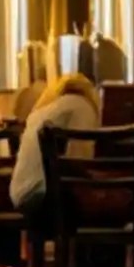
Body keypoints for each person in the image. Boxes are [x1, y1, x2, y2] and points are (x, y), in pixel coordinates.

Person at [10, 73, 102, 212]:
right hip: (45, 194)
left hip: (21, 192)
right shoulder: (82, 105)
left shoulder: (45, 109)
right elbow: (79, 158)